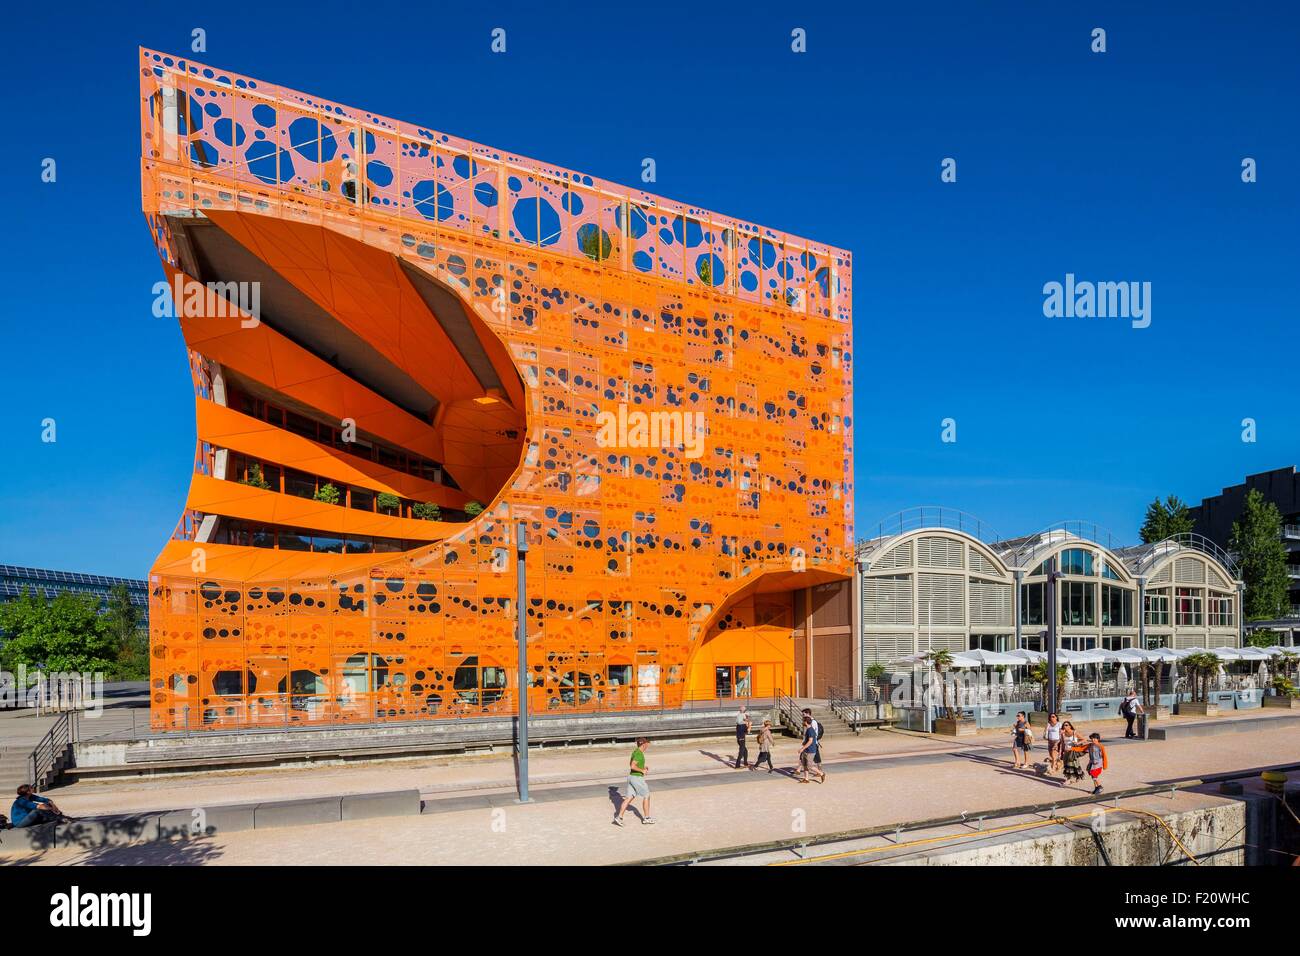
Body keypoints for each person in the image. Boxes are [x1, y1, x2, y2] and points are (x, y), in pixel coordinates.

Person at [613, 737, 655, 826]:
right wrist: (642, 770)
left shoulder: (635, 752)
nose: (648, 745)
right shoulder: (639, 754)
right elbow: (632, 766)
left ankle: (619, 817)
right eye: (647, 743)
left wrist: (642, 768)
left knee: (629, 798)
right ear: (644, 744)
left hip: (631, 777)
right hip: (637, 778)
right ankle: (646, 818)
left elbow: (632, 764)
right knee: (647, 795)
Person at [797, 714, 825, 784]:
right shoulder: (808, 730)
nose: (802, 722)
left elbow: (810, 741)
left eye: (803, 721)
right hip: (807, 750)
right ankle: (806, 779)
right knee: (805, 765)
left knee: (809, 766)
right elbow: (808, 740)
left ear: (806, 722)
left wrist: (802, 748)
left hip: (810, 750)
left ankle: (821, 773)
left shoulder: (810, 730)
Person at [801, 707, 827, 775]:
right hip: (808, 743)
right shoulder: (807, 722)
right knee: (804, 758)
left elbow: (814, 733)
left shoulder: (813, 722)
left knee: (817, 758)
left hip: (813, 743)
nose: (803, 716)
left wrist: (810, 742)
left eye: (804, 714)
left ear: (808, 714)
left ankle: (820, 772)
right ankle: (802, 773)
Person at [734, 704, 752, 769]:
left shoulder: (739, 722)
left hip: (739, 737)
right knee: (741, 752)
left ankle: (745, 763)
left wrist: (746, 721)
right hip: (741, 738)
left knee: (745, 751)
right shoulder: (741, 724)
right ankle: (737, 765)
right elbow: (747, 731)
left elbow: (739, 720)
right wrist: (749, 725)